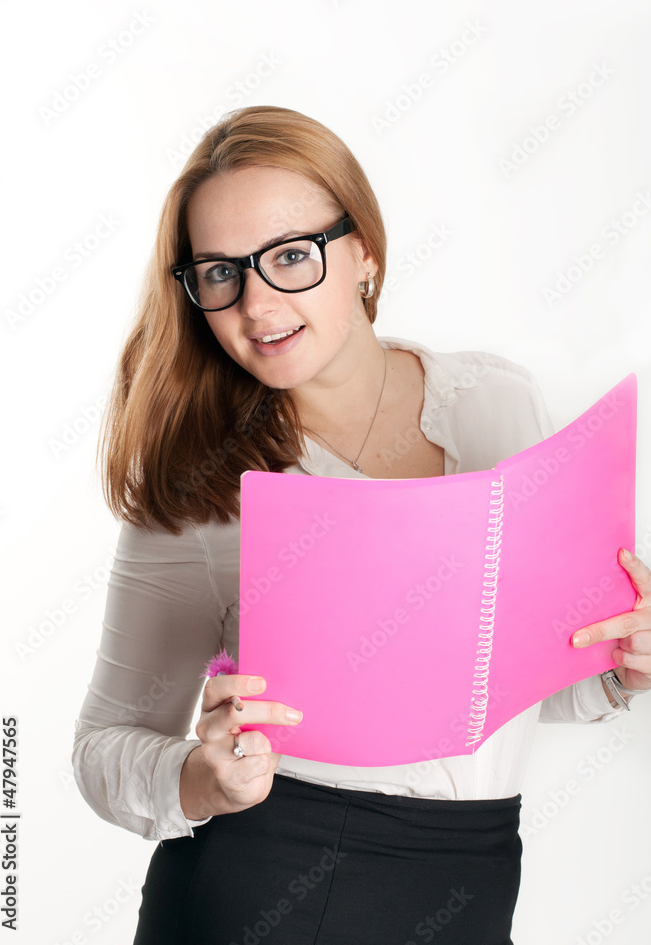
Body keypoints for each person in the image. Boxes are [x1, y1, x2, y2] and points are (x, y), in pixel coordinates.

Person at [72, 105, 651, 945]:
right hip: (267, 880)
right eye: (220, 273)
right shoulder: (203, 485)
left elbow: (480, 688)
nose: (258, 302)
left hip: (473, 878)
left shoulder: (496, 404)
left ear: (365, 251)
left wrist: (619, 666)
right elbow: (102, 748)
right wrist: (204, 778)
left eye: (291, 256)